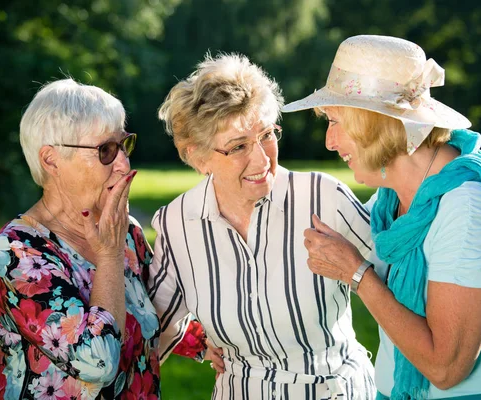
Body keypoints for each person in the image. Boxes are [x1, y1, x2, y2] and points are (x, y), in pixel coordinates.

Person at [283, 35, 481, 399]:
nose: (329, 141)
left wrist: (358, 275)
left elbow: (446, 368)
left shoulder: (466, 207)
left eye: (335, 121)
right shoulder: (390, 201)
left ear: (374, 123)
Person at [148, 53, 385, 399]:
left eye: (266, 135)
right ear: (198, 157)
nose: (261, 160)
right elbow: (154, 330)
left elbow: (403, 284)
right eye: (238, 146)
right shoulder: (177, 224)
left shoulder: (323, 198)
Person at [0, 78, 207, 399]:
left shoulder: (123, 230)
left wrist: (215, 343)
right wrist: (109, 256)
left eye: (124, 145)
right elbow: (97, 363)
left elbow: (161, 309)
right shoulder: (17, 251)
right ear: (51, 160)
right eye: (105, 150)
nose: (124, 164)